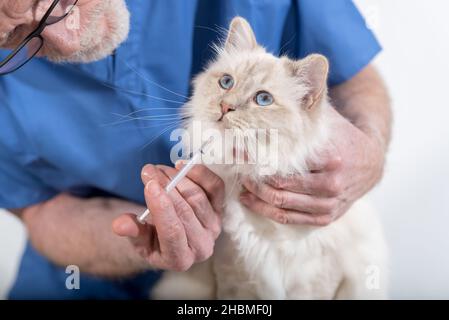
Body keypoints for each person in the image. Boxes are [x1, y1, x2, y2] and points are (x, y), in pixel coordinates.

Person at [0, 0, 391, 299]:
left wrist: (370, 150)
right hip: (86, 280)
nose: (65, 39)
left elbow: (355, 76)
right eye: (15, 36)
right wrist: (142, 240)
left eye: (57, 2)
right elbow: (39, 211)